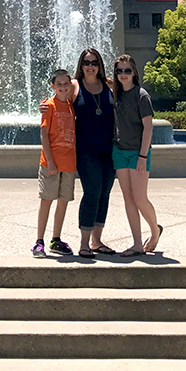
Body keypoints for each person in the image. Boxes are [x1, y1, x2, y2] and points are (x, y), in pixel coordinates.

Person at [112, 54, 162, 256]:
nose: (123, 74)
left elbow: (148, 127)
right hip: (119, 152)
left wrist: (143, 156)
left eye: (127, 70)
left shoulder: (141, 95)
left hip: (138, 154)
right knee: (128, 199)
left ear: (134, 72)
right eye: (119, 71)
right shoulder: (116, 93)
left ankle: (155, 231)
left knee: (140, 198)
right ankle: (137, 243)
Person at [71, 48, 116, 258]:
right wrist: (45, 107)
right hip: (85, 149)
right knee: (92, 191)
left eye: (94, 62)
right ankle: (84, 243)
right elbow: (57, 104)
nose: (90, 66)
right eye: (87, 62)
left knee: (105, 193)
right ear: (81, 65)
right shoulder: (74, 85)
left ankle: (97, 241)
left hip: (109, 149)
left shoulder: (109, 85)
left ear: (100, 65)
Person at [32, 68, 77, 257]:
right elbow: (44, 134)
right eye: (59, 85)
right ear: (53, 86)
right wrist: (50, 161)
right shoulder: (49, 106)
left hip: (69, 163)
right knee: (46, 201)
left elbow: (78, 82)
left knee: (63, 201)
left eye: (66, 84)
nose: (63, 87)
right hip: (50, 163)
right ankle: (39, 241)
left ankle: (56, 240)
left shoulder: (71, 105)